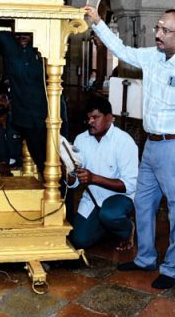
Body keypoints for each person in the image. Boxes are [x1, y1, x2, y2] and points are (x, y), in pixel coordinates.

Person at [83, 5, 175, 290]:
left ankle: (172, 267)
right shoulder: (154, 56)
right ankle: (146, 258)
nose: (158, 34)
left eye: (166, 31)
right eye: (158, 28)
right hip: (152, 145)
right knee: (143, 204)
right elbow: (122, 50)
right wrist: (97, 23)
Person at [0, 22, 68, 174]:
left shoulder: (46, 41)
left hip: (53, 114)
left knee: (62, 164)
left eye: (27, 33)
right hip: (26, 119)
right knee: (44, 165)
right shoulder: (8, 42)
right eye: (19, 33)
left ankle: (63, 197)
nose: (22, 36)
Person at [66, 97, 138, 251]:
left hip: (119, 198)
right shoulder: (81, 139)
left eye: (96, 117)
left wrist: (93, 178)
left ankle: (127, 229)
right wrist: (70, 173)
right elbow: (75, 182)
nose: (91, 122)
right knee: (79, 240)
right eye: (88, 118)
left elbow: (130, 185)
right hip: (92, 198)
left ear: (110, 118)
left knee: (109, 214)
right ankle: (107, 226)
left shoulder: (124, 142)